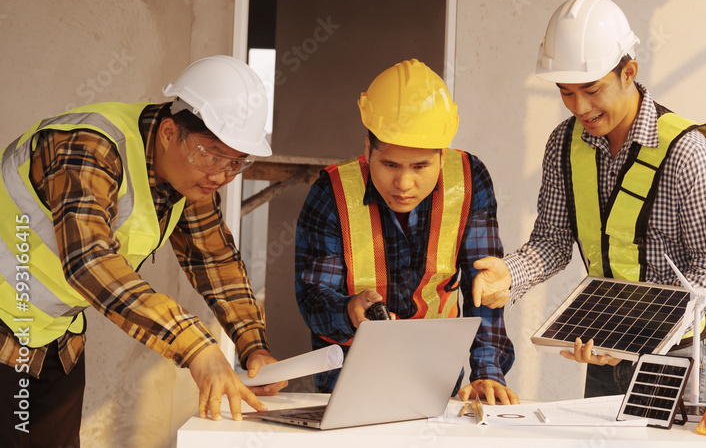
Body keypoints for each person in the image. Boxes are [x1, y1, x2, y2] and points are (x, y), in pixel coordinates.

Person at [0, 55, 288, 447]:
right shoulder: (87, 149)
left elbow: (213, 259)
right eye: (213, 155)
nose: (221, 175)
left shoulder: (191, 174)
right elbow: (88, 261)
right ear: (170, 132)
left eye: (236, 163)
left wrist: (253, 345)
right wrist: (194, 343)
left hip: (54, 334)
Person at [472, 0, 706, 403]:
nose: (579, 107)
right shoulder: (564, 144)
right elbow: (552, 241)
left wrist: (638, 335)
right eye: (566, 92)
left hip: (682, 355)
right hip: (605, 354)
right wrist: (511, 274)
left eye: (592, 90)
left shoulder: (688, 152)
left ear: (628, 72)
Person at [295, 59, 518, 405]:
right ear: (369, 149)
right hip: (349, 381)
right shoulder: (332, 192)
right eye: (389, 165)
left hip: (437, 375)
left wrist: (487, 371)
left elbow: (483, 288)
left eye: (420, 166)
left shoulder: (471, 182)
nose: (403, 183)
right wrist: (349, 310)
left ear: (442, 156)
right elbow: (313, 297)